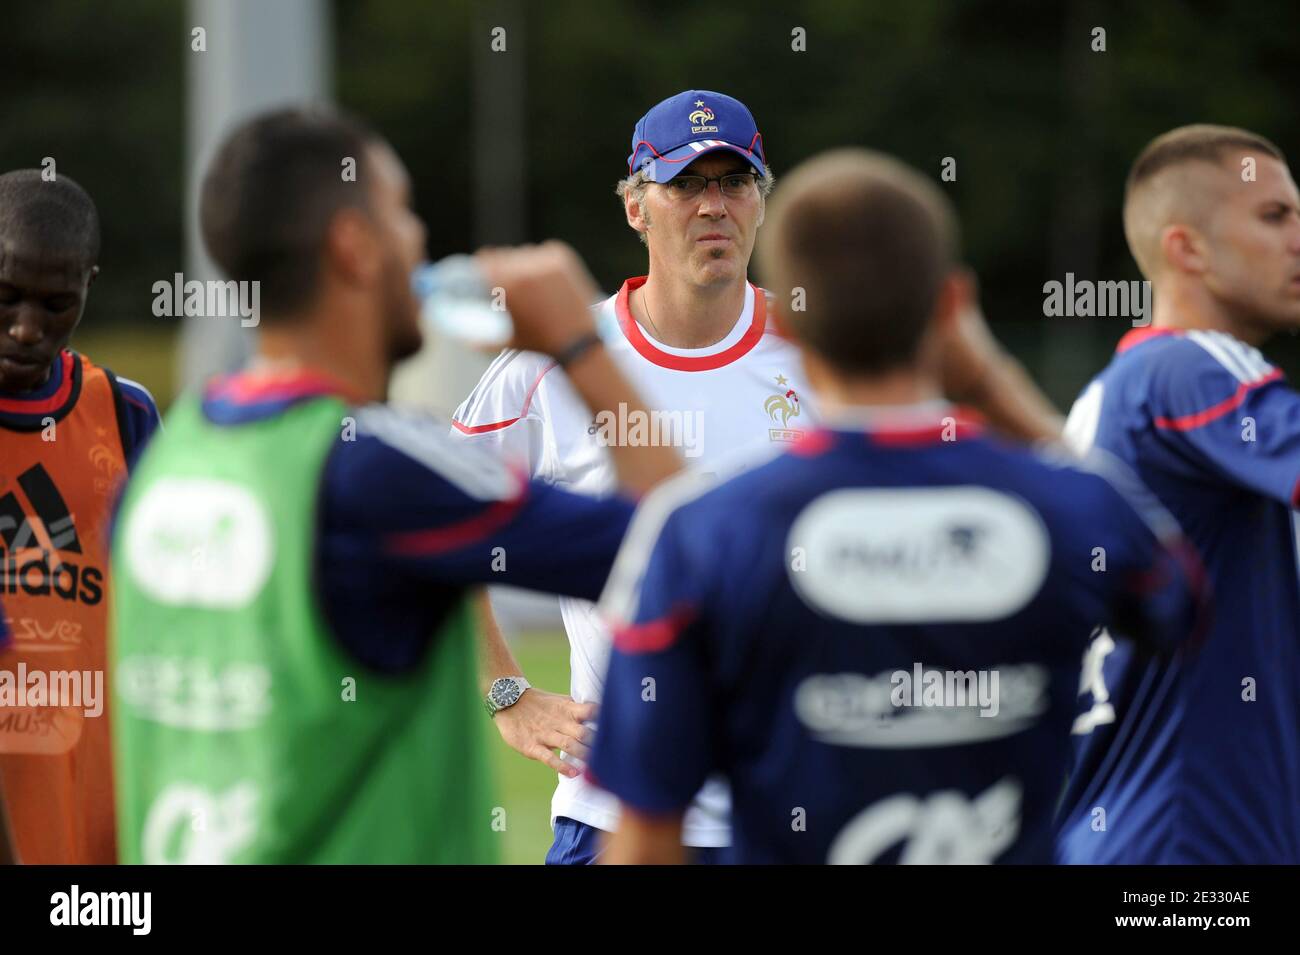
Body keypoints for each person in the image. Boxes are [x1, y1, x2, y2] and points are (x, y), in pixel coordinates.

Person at [454, 90, 1067, 864]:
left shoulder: (819, 347)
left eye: (735, 182)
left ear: (761, 202)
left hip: (802, 813)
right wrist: (507, 693)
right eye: (686, 184)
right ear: (636, 208)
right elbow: (434, 519)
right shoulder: (554, 358)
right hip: (618, 814)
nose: (714, 205)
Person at [586, 148, 1203, 864]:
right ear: (952, 305)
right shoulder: (1069, 506)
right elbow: (1182, 598)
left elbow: (646, 837)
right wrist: (993, 385)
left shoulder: (698, 532)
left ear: (791, 322)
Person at [108, 106, 679, 864]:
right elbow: (684, 544)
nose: (419, 241)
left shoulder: (167, 453)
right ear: (354, 247)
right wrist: (578, 342)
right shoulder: (380, 466)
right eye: (403, 213)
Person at [1056, 125, 1300, 863]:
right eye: (1274, 216)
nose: (1298, 238)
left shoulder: (1112, 393)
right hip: (1193, 849)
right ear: (1186, 248)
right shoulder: (1194, 369)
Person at [0, 170, 162, 864]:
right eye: (5, 297)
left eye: (57, 302)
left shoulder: (126, 418)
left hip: (94, 821)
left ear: (90, 284)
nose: (27, 327)